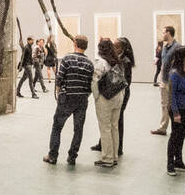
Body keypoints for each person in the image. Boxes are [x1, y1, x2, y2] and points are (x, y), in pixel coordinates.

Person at [43, 34, 93, 167]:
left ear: (75, 44)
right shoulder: (89, 63)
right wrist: (84, 95)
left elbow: (59, 78)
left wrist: (59, 94)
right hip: (82, 99)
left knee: (57, 127)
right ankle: (72, 157)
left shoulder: (67, 58)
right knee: (78, 129)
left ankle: (52, 156)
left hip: (67, 97)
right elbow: (90, 85)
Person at [90, 37, 135, 158]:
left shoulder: (124, 61)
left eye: (116, 46)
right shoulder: (116, 59)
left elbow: (126, 81)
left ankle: (117, 149)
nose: (114, 48)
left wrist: (99, 95)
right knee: (110, 122)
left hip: (118, 93)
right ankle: (106, 146)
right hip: (115, 93)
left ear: (122, 48)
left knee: (115, 122)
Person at [166, 46, 185, 176]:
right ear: (183, 57)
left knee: (182, 135)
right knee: (175, 136)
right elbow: (172, 96)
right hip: (176, 109)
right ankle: (170, 163)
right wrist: (176, 113)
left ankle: (179, 161)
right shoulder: (174, 74)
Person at [152, 25, 182, 135]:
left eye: (164, 32)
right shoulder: (164, 47)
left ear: (169, 33)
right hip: (164, 81)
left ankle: (178, 127)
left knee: (175, 105)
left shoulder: (177, 47)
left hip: (173, 81)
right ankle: (163, 128)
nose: (163, 34)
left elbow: (180, 65)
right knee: (164, 105)